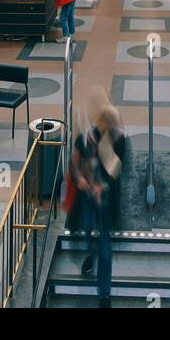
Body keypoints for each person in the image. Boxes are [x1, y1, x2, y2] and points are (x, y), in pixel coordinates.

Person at [68, 88, 126, 307]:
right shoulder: (86, 137)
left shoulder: (118, 140)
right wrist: (80, 177)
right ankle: (90, 252)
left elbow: (118, 170)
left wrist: (103, 187)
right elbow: (74, 162)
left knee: (105, 245)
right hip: (86, 197)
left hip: (105, 201)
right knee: (87, 233)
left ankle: (104, 294)